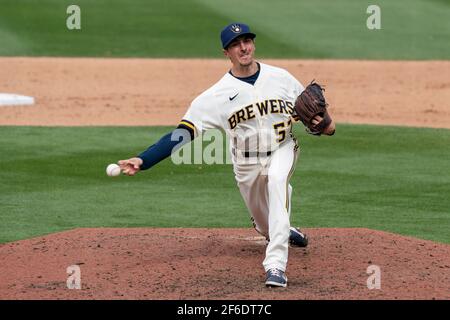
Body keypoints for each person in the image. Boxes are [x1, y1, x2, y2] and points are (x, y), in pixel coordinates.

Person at [118, 23, 335, 287]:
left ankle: (275, 266)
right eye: (236, 44)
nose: (243, 47)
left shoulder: (281, 77)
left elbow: (311, 109)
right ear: (226, 52)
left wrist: (326, 123)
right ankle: (277, 229)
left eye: (247, 41)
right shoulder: (214, 96)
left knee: (278, 182)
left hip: (282, 147)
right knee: (266, 222)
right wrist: (144, 159)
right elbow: (183, 133)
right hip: (245, 162)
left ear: (253, 44)